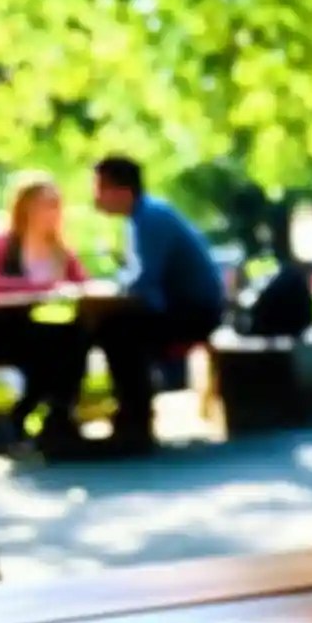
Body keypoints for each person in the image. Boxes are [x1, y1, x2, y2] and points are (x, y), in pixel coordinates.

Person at [92, 155, 226, 451]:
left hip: (195, 311)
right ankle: (132, 417)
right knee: (116, 328)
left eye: (100, 188)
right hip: (183, 308)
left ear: (122, 190)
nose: (96, 198)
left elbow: (144, 280)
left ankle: (135, 421)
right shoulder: (143, 217)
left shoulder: (149, 219)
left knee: (117, 332)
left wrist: (115, 289)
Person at [0, 172, 90, 452]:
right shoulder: (3, 245)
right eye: (44, 204)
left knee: (75, 338)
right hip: (3, 329)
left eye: (55, 205)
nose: (51, 212)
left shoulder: (61, 252)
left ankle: (56, 416)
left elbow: (81, 285)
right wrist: (38, 286)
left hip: (45, 329)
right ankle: (21, 417)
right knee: (48, 347)